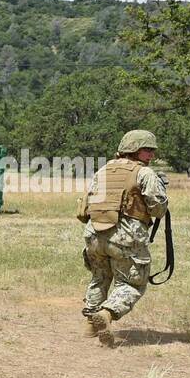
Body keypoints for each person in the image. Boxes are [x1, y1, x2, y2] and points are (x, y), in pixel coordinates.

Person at [79, 130, 169, 346]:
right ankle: (107, 313)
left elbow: (84, 209)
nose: (152, 156)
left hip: (94, 235)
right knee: (132, 283)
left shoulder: (103, 170)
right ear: (135, 150)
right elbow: (157, 210)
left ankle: (90, 326)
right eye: (148, 150)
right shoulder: (145, 174)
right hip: (125, 238)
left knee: (100, 278)